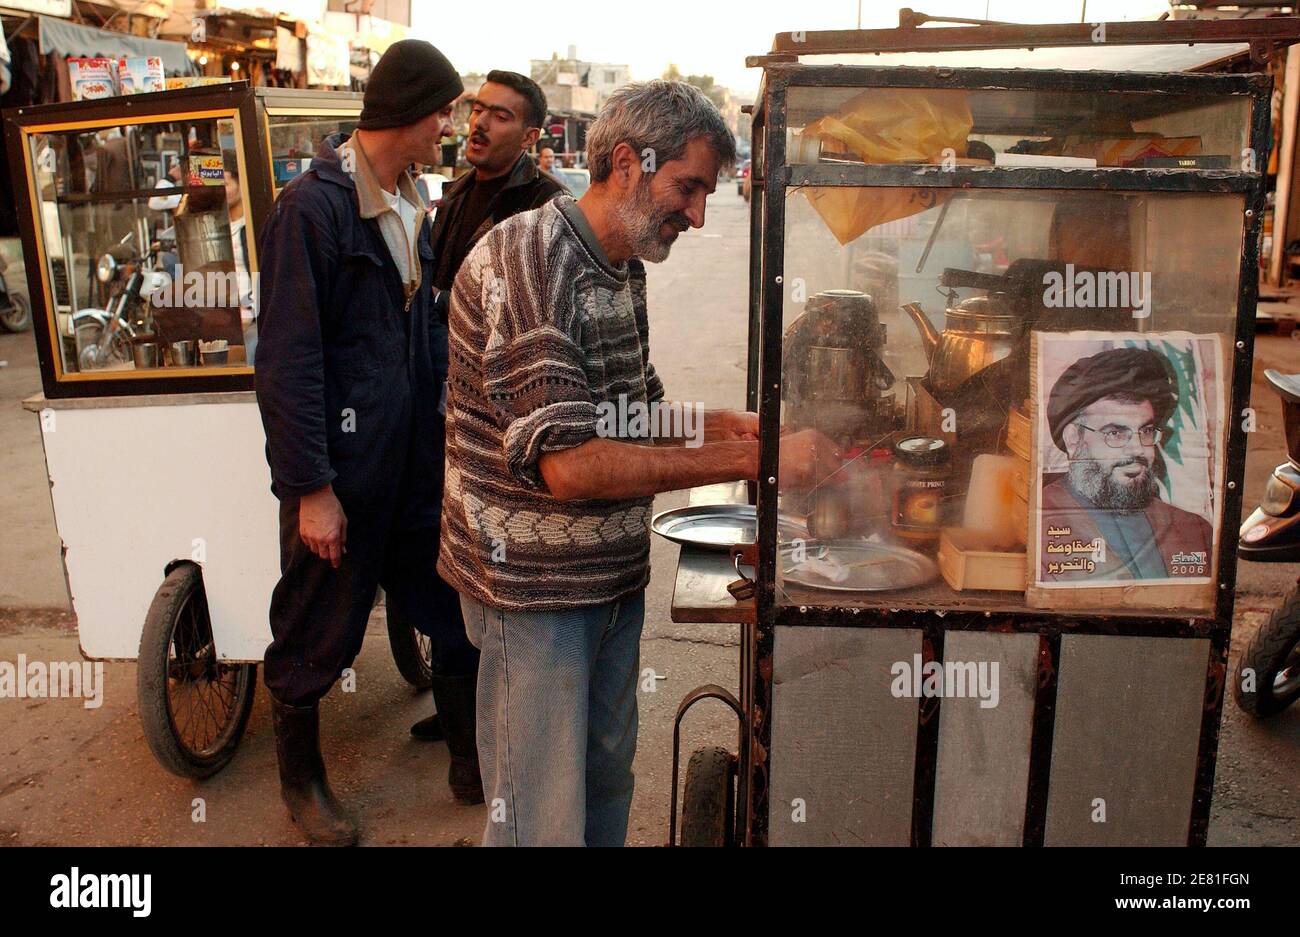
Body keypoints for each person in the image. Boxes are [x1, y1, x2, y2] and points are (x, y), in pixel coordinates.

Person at [438, 80, 839, 846]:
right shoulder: (531, 261)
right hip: (534, 594)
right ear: (626, 161)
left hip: (611, 581)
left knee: (603, 782)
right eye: (686, 187)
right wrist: (758, 455)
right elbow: (572, 464)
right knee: (539, 815)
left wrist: (735, 423)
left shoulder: (623, 266)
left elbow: (636, 419)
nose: (695, 213)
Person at [254, 39, 475, 846]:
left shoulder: (413, 198)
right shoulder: (310, 212)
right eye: (444, 112)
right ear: (411, 114)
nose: (451, 126)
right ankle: (303, 783)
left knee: (448, 602)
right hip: (342, 474)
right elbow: (287, 362)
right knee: (318, 626)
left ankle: (466, 751)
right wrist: (311, 487)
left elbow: (422, 334)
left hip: (415, 463)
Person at [406, 69, 567, 743]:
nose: (478, 123)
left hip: (507, 414)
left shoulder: (547, 206)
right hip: (444, 405)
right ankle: (458, 712)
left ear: (529, 135)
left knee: (496, 571)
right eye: (477, 109)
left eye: (499, 116)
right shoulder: (454, 197)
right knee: (450, 564)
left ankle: (491, 731)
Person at [1041, 346, 1213, 582]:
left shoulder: (1195, 531)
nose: (1138, 449)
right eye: (1114, 433)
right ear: (1074, 438)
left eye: (1146, 431)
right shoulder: (1035, 525)